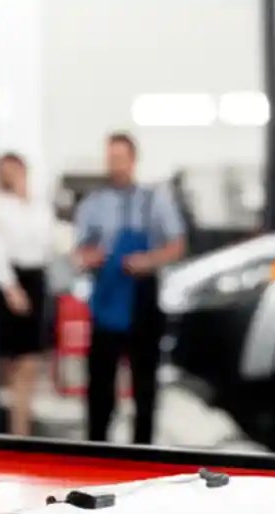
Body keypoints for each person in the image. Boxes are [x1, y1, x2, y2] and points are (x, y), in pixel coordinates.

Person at [75, 132, 186, 444]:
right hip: (107, 296)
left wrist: (148, 260)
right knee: (100, 381)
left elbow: (177, 245)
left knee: (144, 381)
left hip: (142, 297)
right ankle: (97, 446)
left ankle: (143, 448)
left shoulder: (154, 200)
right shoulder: (93, 204)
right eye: (111, 159)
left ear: (133, 160)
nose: (115, 165)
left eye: (121, 158)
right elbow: (79, 252)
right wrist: (89, 257)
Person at [0, 153, 75, 436]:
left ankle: (21, 427)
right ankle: (4, 424)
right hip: (11, 282)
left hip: (36, 280)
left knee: (31, 360)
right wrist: (10, 288)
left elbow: (50, 242)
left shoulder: (38, 207)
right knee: (9, 361)